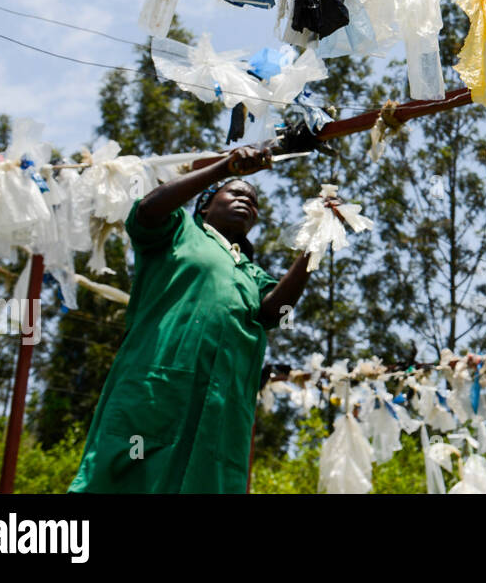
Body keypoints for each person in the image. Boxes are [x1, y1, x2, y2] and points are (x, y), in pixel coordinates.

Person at [69, 145, 312, 493]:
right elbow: (148, 211)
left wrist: (313, 248)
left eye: (254, 202)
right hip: (160, 383)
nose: (248, 201)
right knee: (129, 471)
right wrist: (222, 168)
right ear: (206, 204)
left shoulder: (250, 272)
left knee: (206, 478)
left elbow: (274, 310)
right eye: (236, 193)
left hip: (221, 403)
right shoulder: (180, 231)